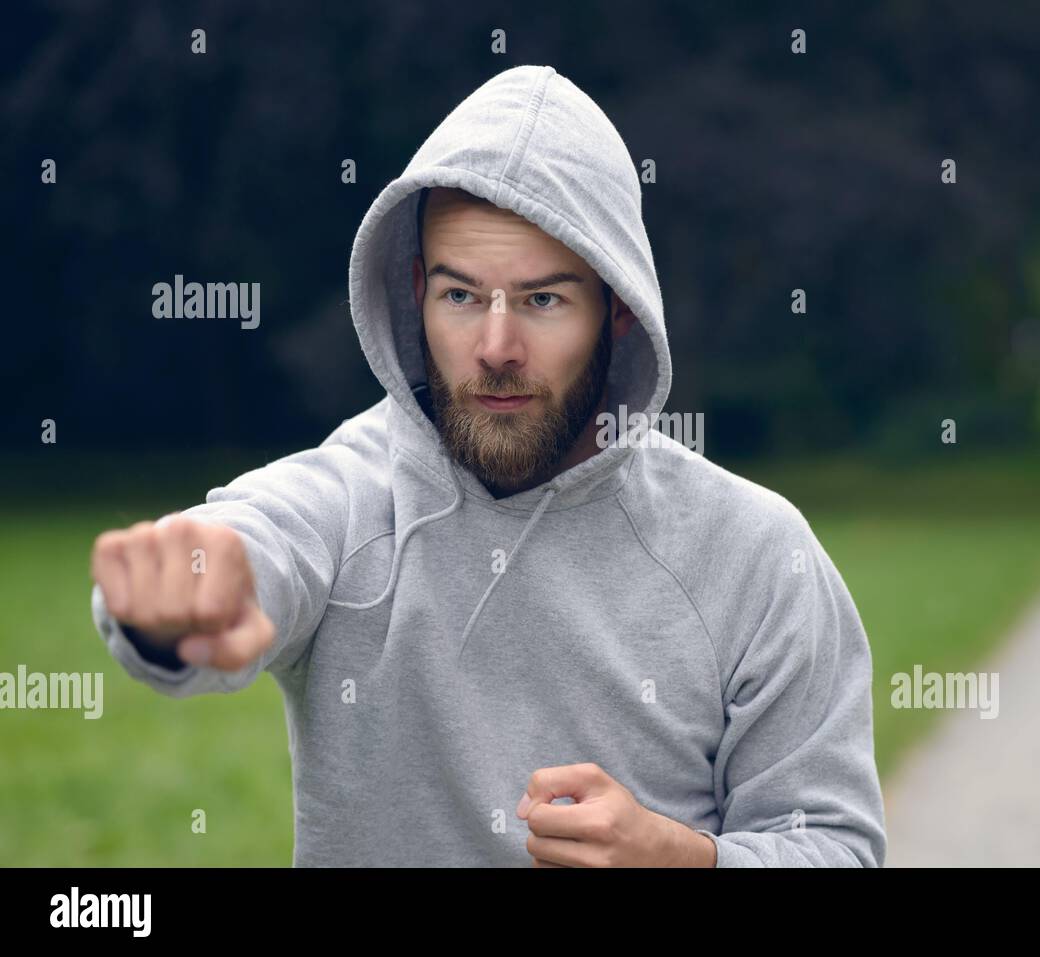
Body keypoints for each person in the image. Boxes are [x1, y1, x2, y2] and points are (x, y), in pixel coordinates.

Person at [89, 64, 888, 867]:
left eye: (543, 300)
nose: (496, 348)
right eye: (462, 295)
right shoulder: (348, 502)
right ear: (414, 291)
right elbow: (255, 539)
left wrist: (683, 859)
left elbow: (836, 844)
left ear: (617, 309)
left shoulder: (754, 552)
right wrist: (182, 594)